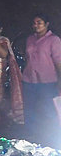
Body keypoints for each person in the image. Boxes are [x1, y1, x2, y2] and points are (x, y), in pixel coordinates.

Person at [21, 12, 61, 144]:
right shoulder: (30, 39)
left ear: (47, 24)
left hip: (47, 81)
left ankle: (52, 136)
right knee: (29, 109)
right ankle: (30, 136)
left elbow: (58, 61)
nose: (36, 25)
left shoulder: (54, 40)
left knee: (49, 109)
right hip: (29, 80)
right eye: (34, 23)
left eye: (39, 22)